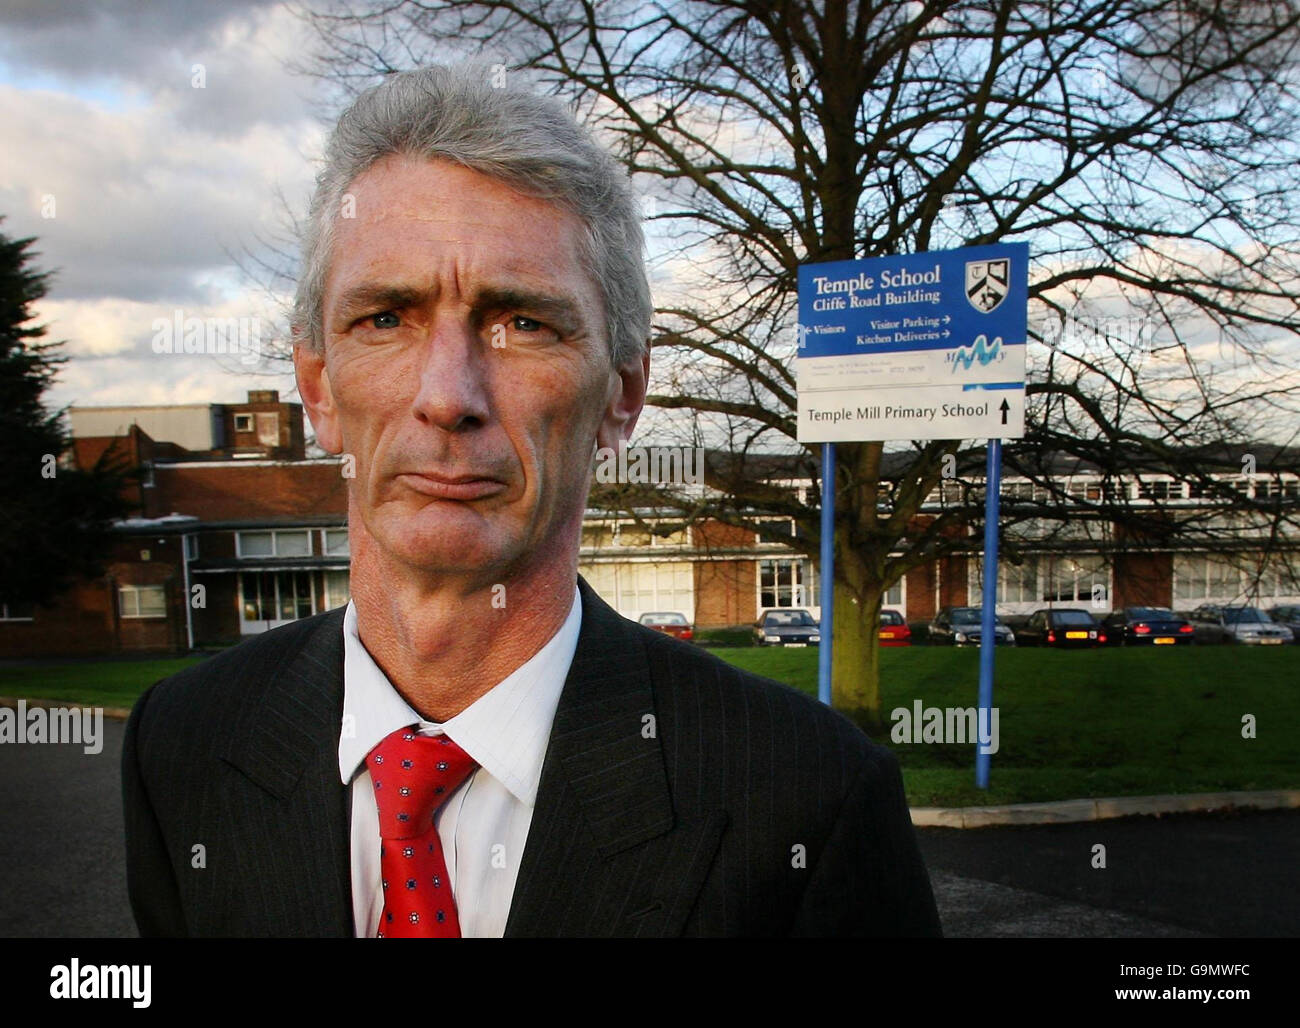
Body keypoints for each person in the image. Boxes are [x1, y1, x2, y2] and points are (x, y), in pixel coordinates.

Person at [121, 64, 942, 938]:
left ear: (621, 395)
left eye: (523, 322)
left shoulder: (810, 794)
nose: (448, 394)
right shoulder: (181, 744)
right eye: (386, 318)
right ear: (317, 388)